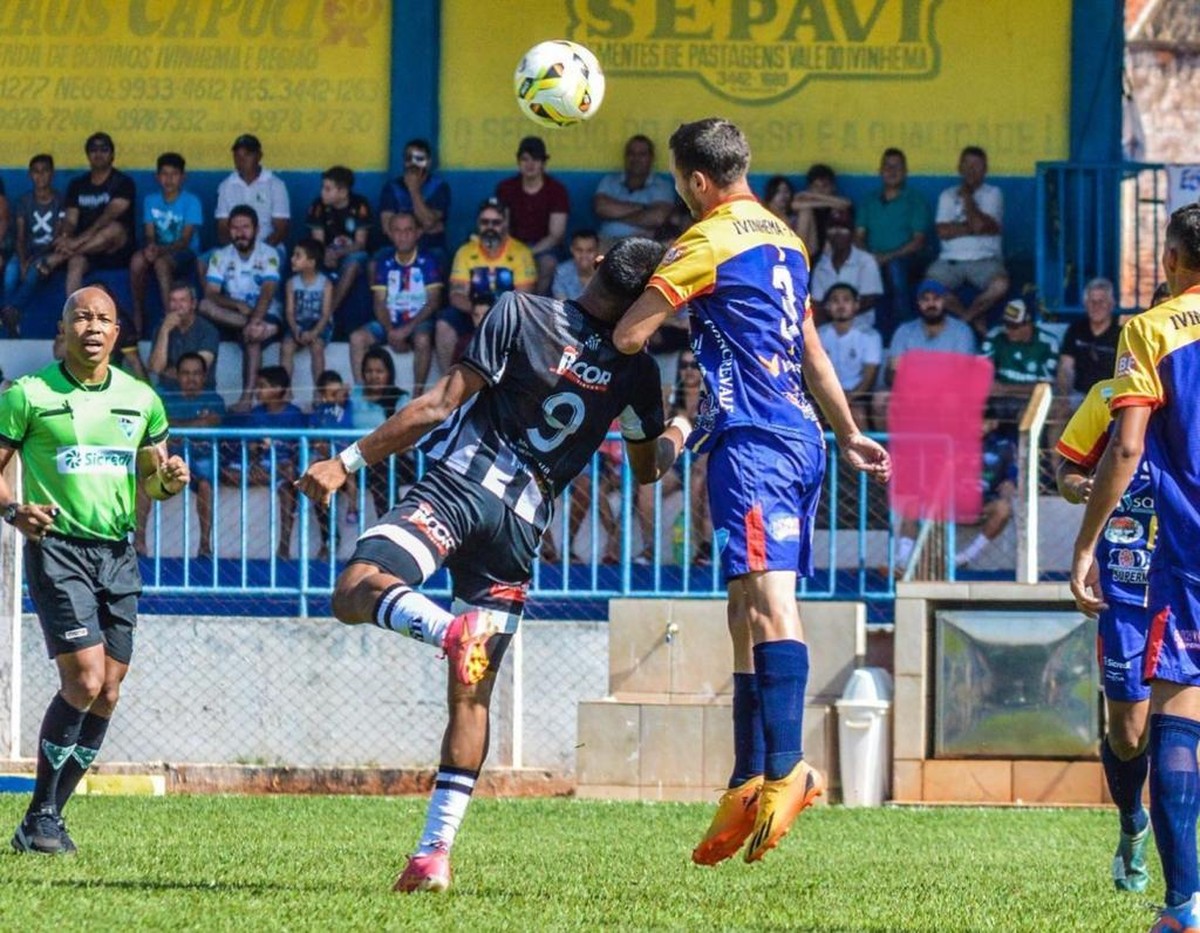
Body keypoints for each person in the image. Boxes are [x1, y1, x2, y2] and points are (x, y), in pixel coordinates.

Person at [295, 237, 687, 892]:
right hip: (520, 529)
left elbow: (437, 405)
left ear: (590, 265)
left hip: (457, 489)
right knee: (471, 695)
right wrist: (679, 428)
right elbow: (649, 470)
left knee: (354, 588)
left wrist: (346, 461)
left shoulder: (519, 312)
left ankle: (447, 631)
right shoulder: (640, 374)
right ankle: (433, 854)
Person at [613, 118, 891, 865]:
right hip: (796, 437)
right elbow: (811, 350)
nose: (680, 192)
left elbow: (631, 334)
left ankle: (789, 767)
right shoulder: (788, 241)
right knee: (744, 610)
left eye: (678, 181)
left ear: (697, 181)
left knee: (769, 604)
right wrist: (850, 430)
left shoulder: (705, 240)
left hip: (757, 443)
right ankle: (744, 780)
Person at [0, 286, 188, 854]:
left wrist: (169, 482)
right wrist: (14, 510)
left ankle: (45, 820)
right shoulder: (27, 395)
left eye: (103, 318)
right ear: (63, 327)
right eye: (81, 317)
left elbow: (154, 482)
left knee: (108, 691)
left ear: (117, 333)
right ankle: (40, 815)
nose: (92, 327)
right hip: (58, 548)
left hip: (117, 554)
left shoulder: (142, 400)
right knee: (82, 678)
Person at [1069, 204, 1200, 930]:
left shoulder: (1152, 331)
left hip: (1183, 551)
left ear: (1174, 260)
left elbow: (1125, 450)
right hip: (1155, 561)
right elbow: (1080, 456)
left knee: (1177, 707)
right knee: (1137, 723)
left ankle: (1183, 906)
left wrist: (1083, 544)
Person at [1056, 378, 1153, 895]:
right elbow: (1067, 471)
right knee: (1129, 733)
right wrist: (1078, 487)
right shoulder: (1108, 396)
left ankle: (1182, 873)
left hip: (1187, 578)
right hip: (1124, 582)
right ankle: (1132, 823)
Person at [136, 352, 225, 557]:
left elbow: (212, 423)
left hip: (200, 459)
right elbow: (155, 428)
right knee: (143, 480)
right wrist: (195, 426)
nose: (191, 378)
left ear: (204, 376)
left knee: (205, 482)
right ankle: (139, 543)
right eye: (185, 373)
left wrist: (173, 427)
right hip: (167, 459)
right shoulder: (165, 398)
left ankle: (205, 546)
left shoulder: (214, 399)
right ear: (176, 375)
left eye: (196, 373)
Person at [436, 197, 535, 375]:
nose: (490, 227)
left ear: (505, 224)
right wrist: (478, 312)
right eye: (484, 222)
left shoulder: (521, 253)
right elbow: (456, 295)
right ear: (478, 224)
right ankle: (448, 381)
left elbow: (524, 298)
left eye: (495, 222)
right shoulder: (465, 251)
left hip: (508, 318)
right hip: (472, 314)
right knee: (444, 324)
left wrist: (493, 315)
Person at [198, 205, 282, 411]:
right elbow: (211, 293)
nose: (240, 233)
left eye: (245, 227)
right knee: (204, 305)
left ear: (256, 229)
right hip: (234, 316)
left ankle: (246, 399)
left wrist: (254, 320)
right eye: (235, 228)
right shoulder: (221, 255)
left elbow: (268, 291)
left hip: (267, 315)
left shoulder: (270, 253)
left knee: (253, 336)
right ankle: (251, 327)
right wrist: (237, 304)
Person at [352, 211, 443, 395]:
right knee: (357, 338)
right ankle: (361, 395)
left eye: (408, 230)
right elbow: (379, 303)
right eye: (397, 231)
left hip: (418, 321)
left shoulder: (429, 261)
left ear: (418, 233)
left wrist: (406, 330)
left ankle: (417, 396)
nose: (403, 235)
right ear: (390, 233)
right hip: (390, 323)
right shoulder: (384, 262)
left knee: (423, 339)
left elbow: (433, 302)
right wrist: (391, 332)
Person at [220, 366, 307, 559]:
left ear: (278, 389)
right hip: (260, 464)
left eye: (262, 386)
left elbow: (298, 450)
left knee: (288, 483)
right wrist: (257, 459)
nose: (257, 390)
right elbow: (251, 446)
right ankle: (268, 477)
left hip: (283, 464)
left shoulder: (294, 414)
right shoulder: (256, 413)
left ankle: (283, 547)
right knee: (227, 473)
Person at [40, 132, 136, 297]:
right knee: (75, 263)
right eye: (93, 149)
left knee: (114, 228)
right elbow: (70, 220)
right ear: (87, 155)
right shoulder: (78, 184)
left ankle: (61, 258)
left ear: (112, 155)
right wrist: (66, 236)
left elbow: (107, 218)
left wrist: (75, 242)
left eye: (104, 149)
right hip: (84, 250)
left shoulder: (123, 182)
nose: (98, 153)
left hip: (114, 250)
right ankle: (74, 317)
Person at [928, 145, 1009, 334]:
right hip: (950, 260)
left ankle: (964, 321)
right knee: (930, 288)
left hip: (985, 259)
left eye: (977, 165)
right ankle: (972, 317)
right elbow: (942, 231)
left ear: (985, 170)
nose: (971, 170)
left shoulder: (993, 193)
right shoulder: (947, 195)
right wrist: (972, 228)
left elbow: (980, 226)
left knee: (1000, 286)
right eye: (967, 165)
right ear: (959, 168)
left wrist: (967, 197)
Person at [855, 147, 931, 338]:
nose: (892, 170)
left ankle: (905, 333)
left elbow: (918, 242)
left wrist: (887, 257)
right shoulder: (869, 200)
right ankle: (875, 338)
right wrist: (872, 258)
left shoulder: (915, 200)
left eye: (897, 166)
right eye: (887, 166)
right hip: (874, 259)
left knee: (894, 268)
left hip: (907, 260)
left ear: (906, 172)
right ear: (880, 171)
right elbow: (858, 237)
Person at [129, 152, 202, 334]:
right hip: (159, 249)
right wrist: (151, 246)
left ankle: (170, 316)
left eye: (174, 174)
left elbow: (185, 241)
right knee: (137, 261)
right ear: (157, 177)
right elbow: (149, 233)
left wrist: (158, 250)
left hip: (184, 253)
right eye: (164, 174)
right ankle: (138, 311)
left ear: (183, 177)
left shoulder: (191, 201)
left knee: (161, 263)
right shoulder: (151, 200)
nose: (169, 179)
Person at [495, 136, 569, 295]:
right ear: (518, 161)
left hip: (545, 247)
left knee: (548, 263)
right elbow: (502, 226)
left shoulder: (556, 190)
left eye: (535, 159)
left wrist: (530, 252)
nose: (530, 164)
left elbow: (556, 235)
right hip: (512, 244)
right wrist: (517, 251)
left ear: (543, 162)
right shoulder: (506, 188)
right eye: (525, 159)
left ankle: (535, 306)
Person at [2, 154, 64, 337]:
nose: (40, 176)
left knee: (34, 271)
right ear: (30, 175)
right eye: (35, 172)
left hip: (49, 252)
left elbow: (58, 237)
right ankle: (10, 317)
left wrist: (33, 260)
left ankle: (11, 311)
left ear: (52, 174)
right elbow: (20, 237)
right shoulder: (24, 201)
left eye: (44, 171)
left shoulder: (60, 200)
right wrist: (22, 260)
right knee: (11, 273)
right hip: (27, 251)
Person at [953, 406, 1018, 568]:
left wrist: (1009, 485)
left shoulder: (1004, 446)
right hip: (953, 502)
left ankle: (966, 556)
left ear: (994, 423)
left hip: (985, 502)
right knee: (913, 506)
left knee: (1003, 508)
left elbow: (1012, 475)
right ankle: (904, 561)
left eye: (984, 420)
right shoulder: (954, 442)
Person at [980, 297, 1058, 427]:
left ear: (1028, 324)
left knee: (1029, 415)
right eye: (1006, 324)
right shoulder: (995, 336)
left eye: (1013, 326)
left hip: (1029, 400)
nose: (1007, 330)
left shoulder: (1048, 343)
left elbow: (1045, 388)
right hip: (996, 401)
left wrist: (1006, 389)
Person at [350, 346, 409, 519]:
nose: (374, 376)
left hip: (392, 460)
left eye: (379, 371)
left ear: (389, 373)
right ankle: (329, 540)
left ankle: (389, 524)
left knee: (383, 469)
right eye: (369, 371)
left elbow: (407, 438)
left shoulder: (399, 398)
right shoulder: (353, 396)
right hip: (357, 460)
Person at [306, 165, 372, 315]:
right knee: (305, 259)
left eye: (328, 189)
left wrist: (338, 253)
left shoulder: (360, 204)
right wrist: (325, 255)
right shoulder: (318, 205)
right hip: (326, 254)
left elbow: (360, 244)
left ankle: (329, 311)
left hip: (350, 254)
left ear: (343, 192)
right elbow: (318, 242)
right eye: (323, 187)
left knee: (354, 263)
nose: (322, 192)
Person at [816, 283, 882, 428]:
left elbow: (868, 378)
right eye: (835, 300)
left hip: (857, 396)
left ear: (856, 305)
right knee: (810, 414)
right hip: (823, 395)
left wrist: (848, 397)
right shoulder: (817, 335)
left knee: (857, 414)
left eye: (846, 300)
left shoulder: (870, 336)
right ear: (827, 306)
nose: (841, 305)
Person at [591, 135, 676, 247]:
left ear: (651, 158)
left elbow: (657, 218)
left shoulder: (662, 185)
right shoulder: (610, 180)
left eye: (642, 154)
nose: (636, 159)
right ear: (625, 157)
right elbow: (601, 208)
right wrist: (643, 208)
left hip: (643, 244)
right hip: (607, 242)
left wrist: (613, 213)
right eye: (631, 153)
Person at [808, 205, 884, 325]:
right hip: (829, 328)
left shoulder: (866, 261)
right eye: (832, 229)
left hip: (861, 328)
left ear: (852, 233)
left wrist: (839, 314)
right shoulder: (822, 264)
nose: (837, 233)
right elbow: (817, 302)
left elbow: (870, 299)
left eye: (843, 229)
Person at [214, 134, 290, 251]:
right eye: (237, 156)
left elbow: (281, 229)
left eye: (247, 155)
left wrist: (257, 253)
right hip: (234, 249)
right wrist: (238, 251)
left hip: (269, 249)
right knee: (203, 263)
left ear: (259, 156)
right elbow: (222, 229)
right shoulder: (226, 186)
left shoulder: (275, 185)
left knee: (260, 267)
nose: (241, 160)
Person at [378, 138, 451, 260]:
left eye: (419, 159)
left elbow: (428, 222)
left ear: (428, 162)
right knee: (374, 263)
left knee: (438, 259)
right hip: (396, 247)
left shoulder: (439, 187)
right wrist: (420, 231)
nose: (413, 163)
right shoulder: (391, 187)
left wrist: (414, 190)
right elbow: (387, 228)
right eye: (408, 158)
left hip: (430, 246)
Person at [1056, 277, 1121, 410]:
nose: (1096, 306)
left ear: (1111, 304)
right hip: (1078, 395)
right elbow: (1066, 367)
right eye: (1092, 302)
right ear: (1085, 304)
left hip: (1109, 396)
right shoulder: (1075, 330)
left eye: (1101, 302)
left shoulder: (1121, 334)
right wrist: (1064, 397)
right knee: (1058, 416)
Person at [280, 238, 334, 386]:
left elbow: (325, 314)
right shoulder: (291, 283)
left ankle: (319, 393)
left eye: (298, 256)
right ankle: (285, 392)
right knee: (286, 347)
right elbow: (290, 312)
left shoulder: (325, 283)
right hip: (298, 324)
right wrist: (295, 329)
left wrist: (314, 333)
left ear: (311, 262)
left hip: (320, 325)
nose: (292, 259)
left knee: (317, 348)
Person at [147, 280, 220, 389]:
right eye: (173, 300)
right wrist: (165, 331)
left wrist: (168, 372)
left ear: (193, 304)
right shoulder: (161, 328)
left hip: (201, 391)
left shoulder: (208, 330)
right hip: (168, 390)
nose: (177, 306)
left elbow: (194, 372)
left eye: (182, 300)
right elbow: (156, 368)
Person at [790, 163, 852, 260]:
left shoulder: (836, 208)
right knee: (805, 212)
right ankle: (797, 259)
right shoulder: (808, 206)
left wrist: (814, 196)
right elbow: (794, 205)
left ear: (833, 187)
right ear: (810, 188)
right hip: (810, 252)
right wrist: (819, 200)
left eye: (824, 186)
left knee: (837, 212)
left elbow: (845, 204)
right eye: (816, 186)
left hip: (832, 255)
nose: (820, 190)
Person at [551, 229, 599, 302]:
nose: (584, 255)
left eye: (590, 250)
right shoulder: (561, 271)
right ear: (572, 249)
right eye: (579, 250)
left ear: (597, 251)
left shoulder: (605, 274)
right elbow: (560, 304)